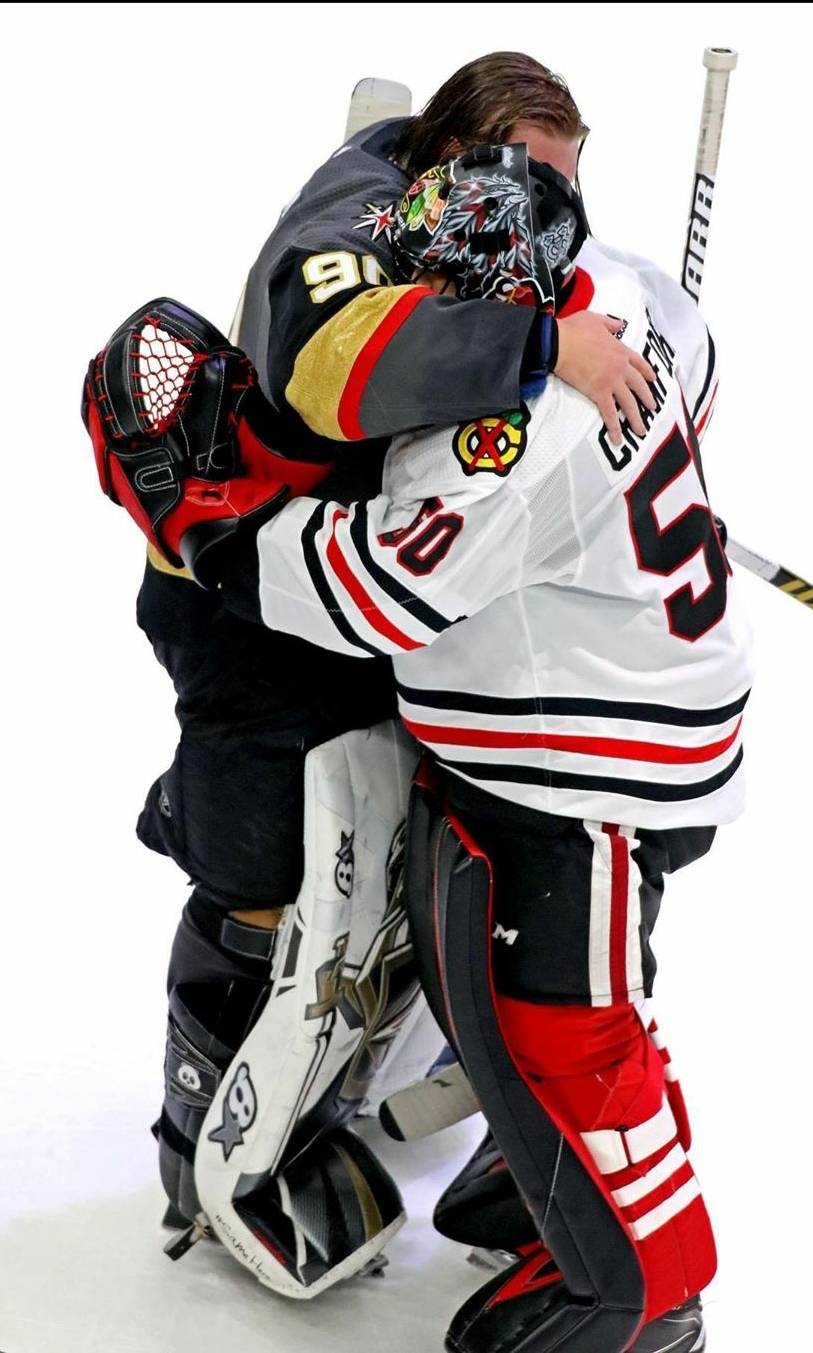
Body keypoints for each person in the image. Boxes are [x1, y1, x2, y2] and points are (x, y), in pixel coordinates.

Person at [86, 134, 747, 1351]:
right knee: (470, 977)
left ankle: (628, 1285)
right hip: (630, 723)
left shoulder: (502, 438)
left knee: (561, 1018)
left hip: (581, 761)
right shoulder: (636, 296)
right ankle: (535, 1173)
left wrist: (211, 530)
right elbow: (688, 385)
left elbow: (378, 593)